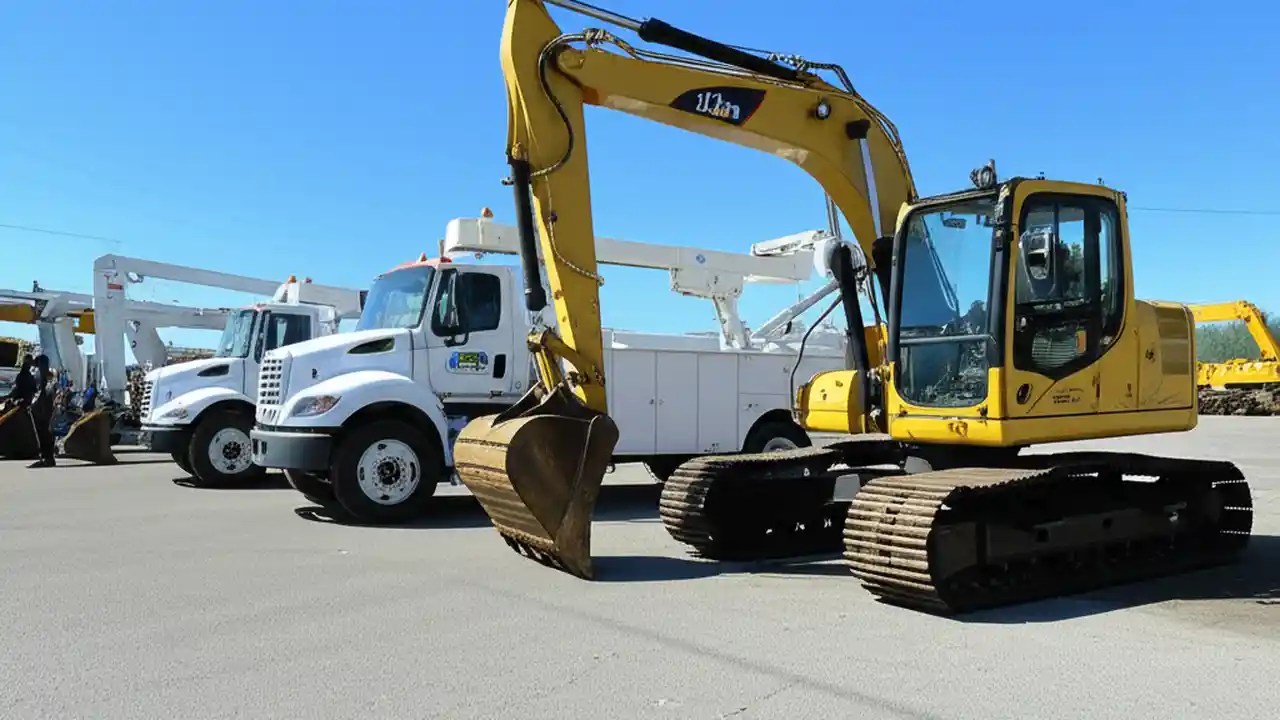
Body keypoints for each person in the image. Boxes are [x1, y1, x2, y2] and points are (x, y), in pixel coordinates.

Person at [27, 355, 56, 468]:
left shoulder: (41, 375)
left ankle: (47, 457)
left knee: (43, 434)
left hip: (42, 409)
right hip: (46, 408)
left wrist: (34, 404)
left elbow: (40, 392)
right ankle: (48, 457)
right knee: (46, 434)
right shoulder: (49, 375)